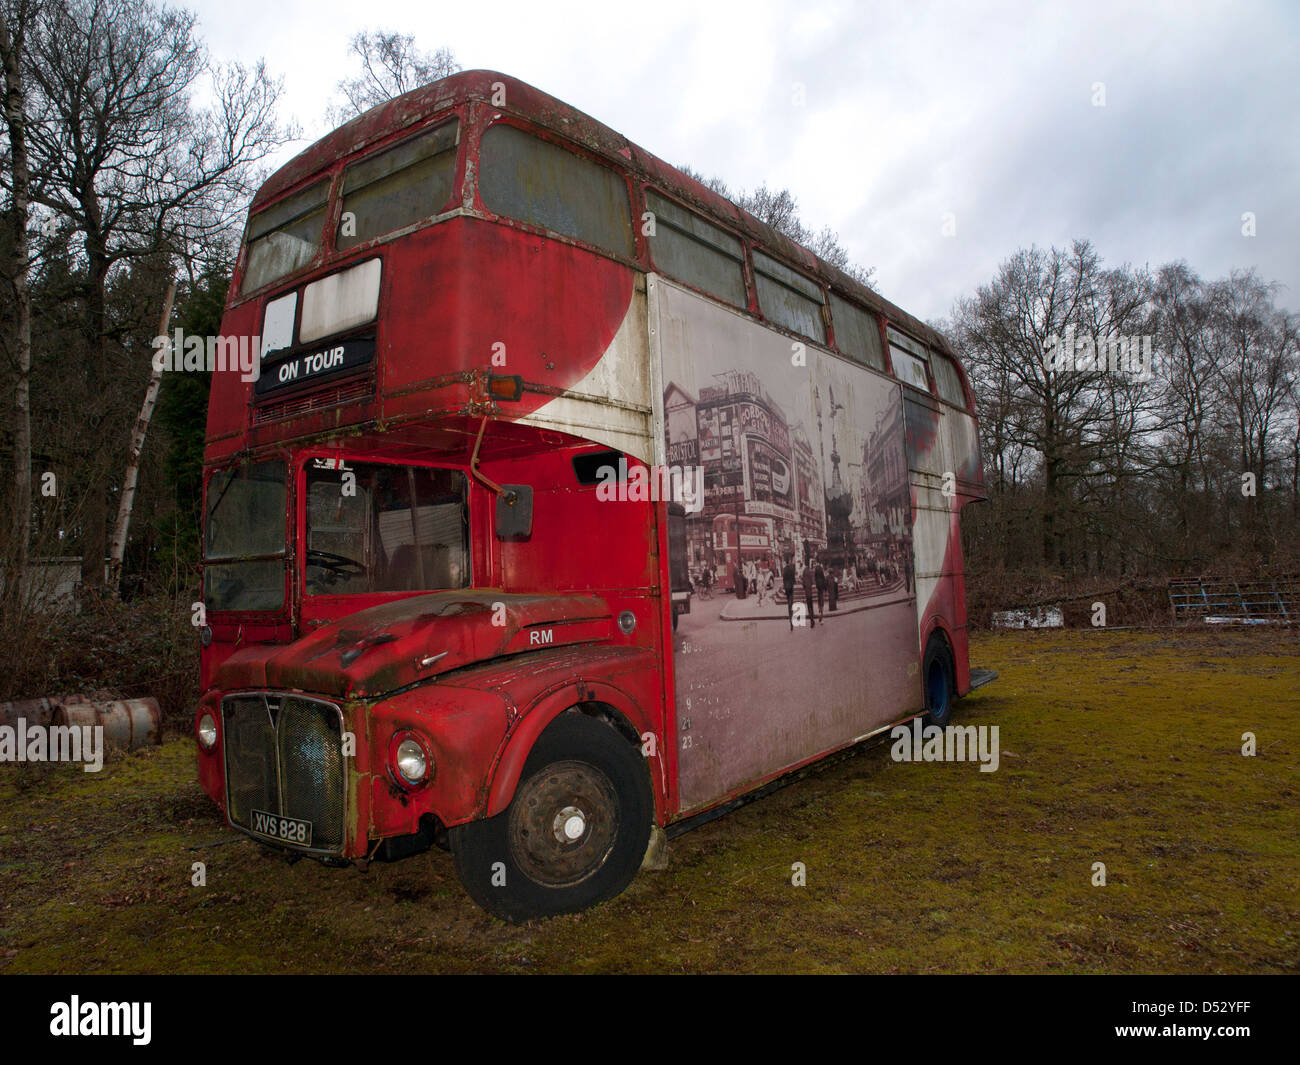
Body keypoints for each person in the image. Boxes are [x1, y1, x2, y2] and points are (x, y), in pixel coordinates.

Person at [800, 559, 817, 629]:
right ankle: (812, 617)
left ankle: (811, 620)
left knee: (809, 606)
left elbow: (803, 582)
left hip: (807, 591)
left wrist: (803, 585)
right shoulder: (809, 571)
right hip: (809, 589)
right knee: (811, 605)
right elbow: (812, 580)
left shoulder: (804, 572)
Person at [782, 557, 797, 630]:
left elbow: (783, 579)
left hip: (787, 588)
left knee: (788, 601)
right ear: (789, 562)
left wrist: (784, 587)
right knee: (791, 600)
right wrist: (793, 582)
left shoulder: (784, 570)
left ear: (785, 562)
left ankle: (790, 619)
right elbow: (794, 579)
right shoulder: (791, 569)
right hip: (791, 587)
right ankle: (791, 610)